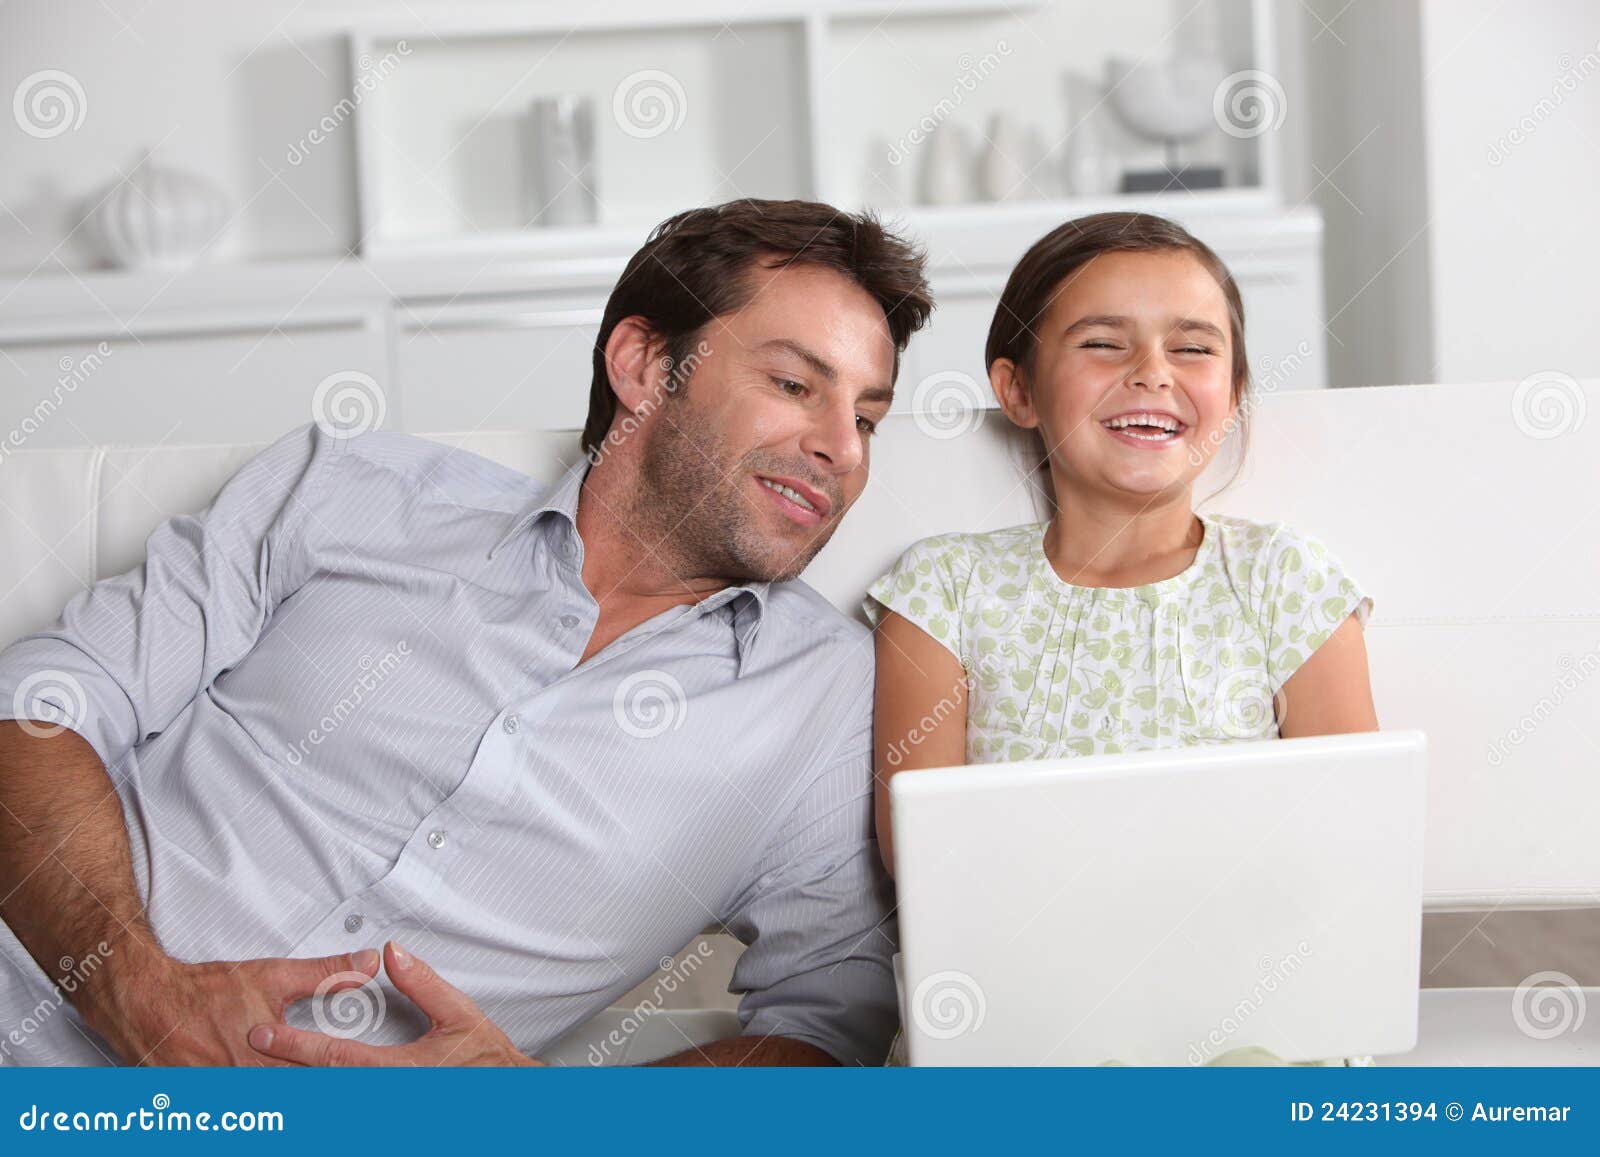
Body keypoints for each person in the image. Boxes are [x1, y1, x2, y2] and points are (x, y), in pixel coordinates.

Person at [0, 198, 932, 1067]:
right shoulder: (350, 490)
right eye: (792, 383)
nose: (843, 452)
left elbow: (828, 1027)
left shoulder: (831, 701)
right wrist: (134, 987)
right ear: (645, 365)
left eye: (865, 418)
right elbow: (39, 710)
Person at [865, 212, 1378, 1063]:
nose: (1152, 374)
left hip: (1249, 1020)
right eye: (1103, 344)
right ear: (1019, 389)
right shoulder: (942, 590)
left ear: (1236, 393)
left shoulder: (1285, 581)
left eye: (1194, 348)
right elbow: (924, 858)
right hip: (1020, 1019)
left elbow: (1350, 838)